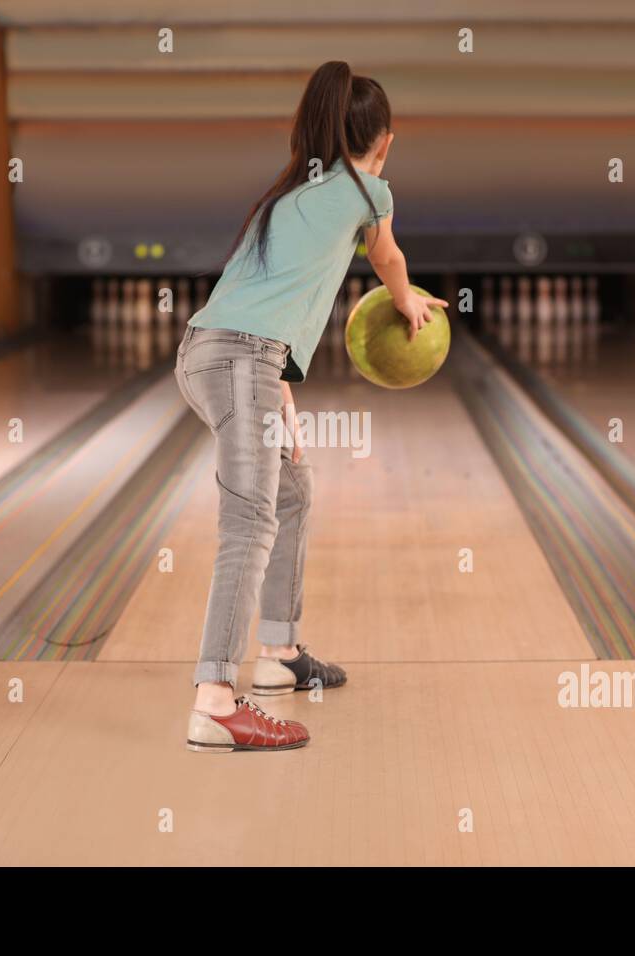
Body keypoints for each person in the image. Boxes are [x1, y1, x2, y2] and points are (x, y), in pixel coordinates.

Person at [176, 60, 448, 752]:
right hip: (241, 359)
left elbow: (272, 306)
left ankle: (279, 653)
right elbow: (388, 259)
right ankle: (214, 700)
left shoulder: (289, 194)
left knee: (292, 486)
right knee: (250, 520)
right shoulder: (368, 190)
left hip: (218, 354)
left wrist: (283, 406)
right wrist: (407, 297)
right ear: (384, 141)